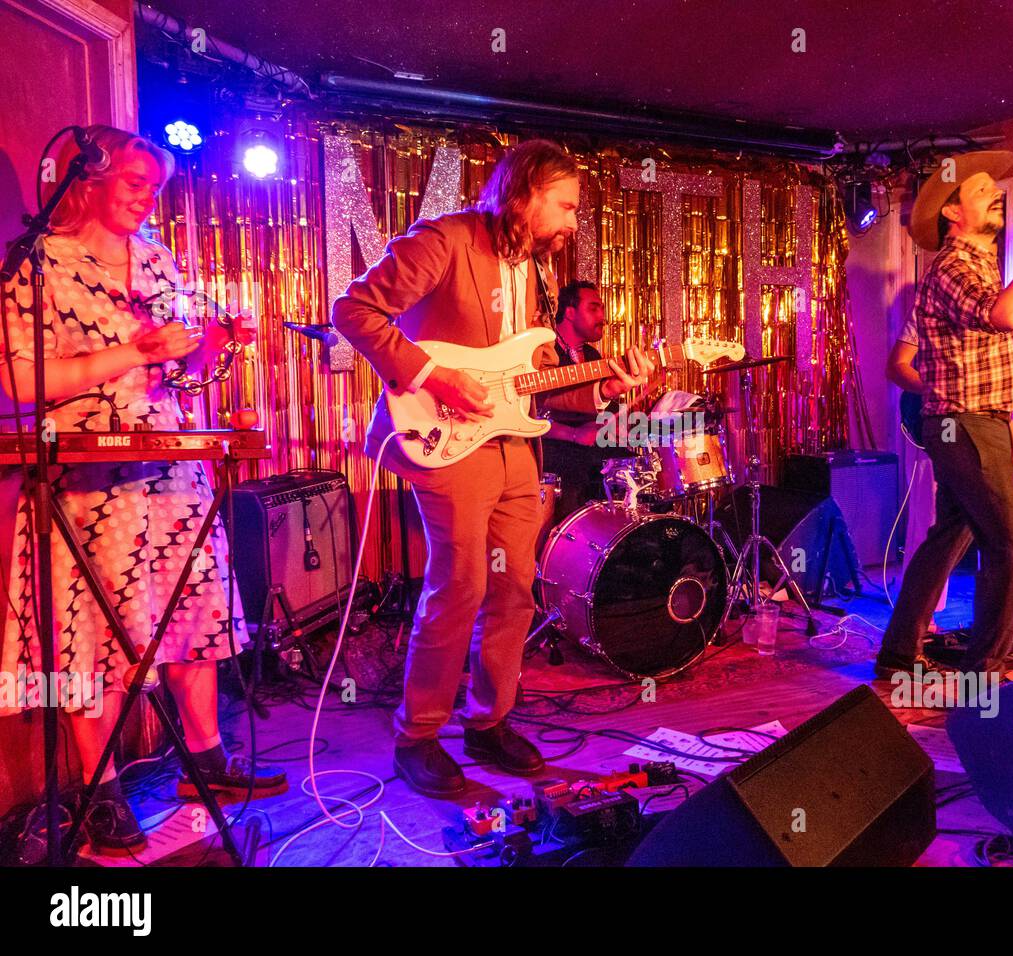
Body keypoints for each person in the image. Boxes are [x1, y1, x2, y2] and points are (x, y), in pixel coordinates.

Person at [332, 140, 650, 797]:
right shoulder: (446, 240)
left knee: (514, 586)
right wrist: (436, 377)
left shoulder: (534, 270)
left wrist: (608, 386)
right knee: (463, 581)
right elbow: (353, 311)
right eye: (563, 206)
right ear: (527, 192)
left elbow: (530, 383)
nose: (570, 222)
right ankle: (418, 734)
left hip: (511, 445)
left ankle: (488, 721)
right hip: (445, 438)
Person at [0, 125, 283, 856]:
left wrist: (212, 347)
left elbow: (178, 370)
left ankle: (206, 761)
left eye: (153, 188)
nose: (145, 199)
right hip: (88, 476)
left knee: (194, 610)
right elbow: (17, 381)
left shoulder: (156, 258)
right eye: (133, 182)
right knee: (92, 633)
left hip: (170, 457)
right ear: (86, 179)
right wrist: (131, 350)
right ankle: (98, 791)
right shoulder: (36, 264)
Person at [874, 150, 1013, 680]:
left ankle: (899, 655)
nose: (995, 193)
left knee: (949, 539)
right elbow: (1005, 315)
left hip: (979, 420)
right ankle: (982, 674)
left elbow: (1003, 377)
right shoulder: (953, 266)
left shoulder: (984, 268)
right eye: (981, 188)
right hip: (962, 424)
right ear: (952, 213)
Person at [886, 312, 1013, 630]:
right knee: (932, 524)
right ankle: (919, 619)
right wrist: (945, 390)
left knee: (1007, 528)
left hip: (996, 429)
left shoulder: (1009, 320)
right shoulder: (927, 312)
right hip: (942, 425)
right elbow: (898, 367)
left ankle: (1012, 614)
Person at [540, 280, 636, 522]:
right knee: (578, 470)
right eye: (594, 308)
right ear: (570, 313)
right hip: (556, 455)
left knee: (631, 464)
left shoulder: (593, 357)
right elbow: (532, 413)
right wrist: (574, 435)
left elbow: (607, 413)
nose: (602, 316)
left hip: (593, 455)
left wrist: (620, 426)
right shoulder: (546, 352)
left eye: (602, 309)